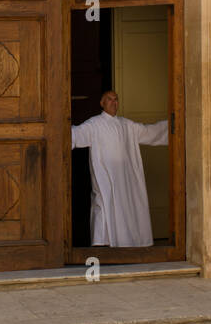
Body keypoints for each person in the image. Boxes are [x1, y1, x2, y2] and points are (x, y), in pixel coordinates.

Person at [71, 90, 169, 247]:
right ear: (102, 103)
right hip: (106, 179)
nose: (113, 102)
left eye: (116, 99)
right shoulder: (94, 124)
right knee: (103, 206)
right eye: (109, 99)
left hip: (126, 179)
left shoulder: (127, 125)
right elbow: (76, 135)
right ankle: (102, 245)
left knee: (129, 209)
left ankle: (129, 244)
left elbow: (149, 132)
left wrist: (171, 126)